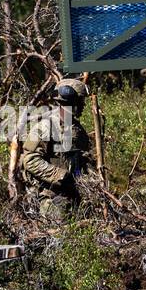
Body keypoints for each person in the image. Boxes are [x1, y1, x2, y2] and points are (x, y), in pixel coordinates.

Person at [18, 77, 92, 221]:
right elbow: (29, 160)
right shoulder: (45, 126)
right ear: (71, 100)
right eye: (81, 101)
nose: (83, 105)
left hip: (75, 195)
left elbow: (83, 159)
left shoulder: (78, 130)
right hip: (51, 197)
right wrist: (59, 175)